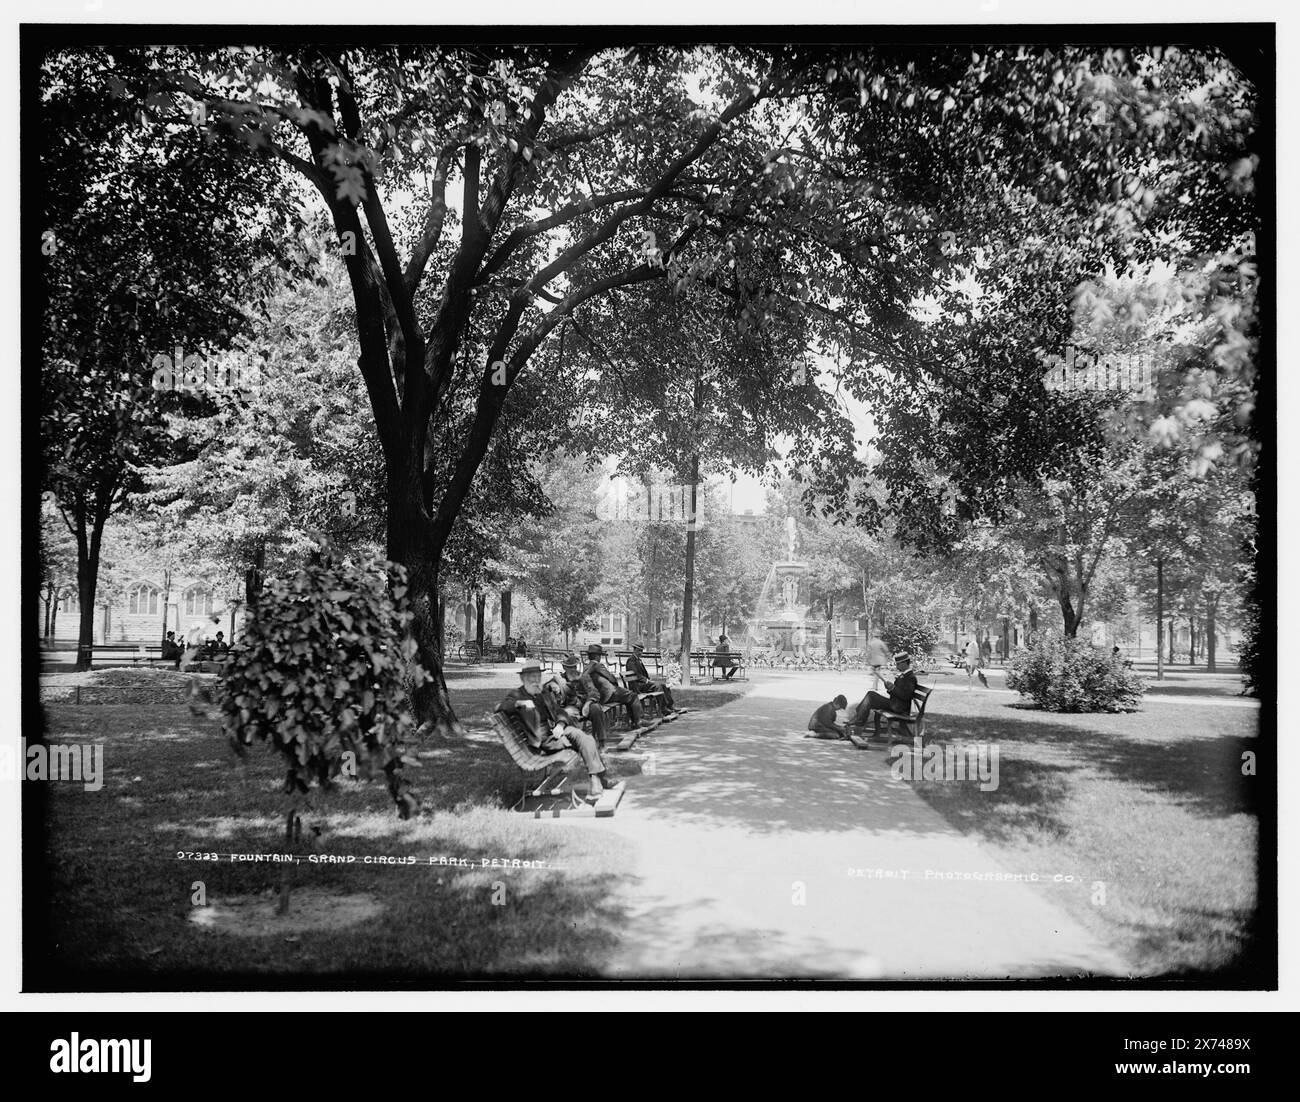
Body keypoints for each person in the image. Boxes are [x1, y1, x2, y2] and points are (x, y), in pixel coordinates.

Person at [496, 659, 622, 799]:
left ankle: (597, 780)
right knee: (583, 740)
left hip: (556, 733)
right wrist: (520, 703)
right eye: (532, 677)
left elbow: (559, 712)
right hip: (542, 742)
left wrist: (560, 725)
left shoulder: (543, 692)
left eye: (538, 677)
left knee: (586, 738)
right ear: (523, 679)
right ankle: (599, 781)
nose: (536, 680)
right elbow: (500, 707)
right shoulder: (517, 695)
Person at [852, 651, 919, 736]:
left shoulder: (911, 678)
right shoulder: (904, 676)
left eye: (898, 664)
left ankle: (858, 723)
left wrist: (893, 688)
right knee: (870, 695)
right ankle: (858, 719)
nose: (896, 666)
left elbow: (906, 696)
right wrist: (890, 688)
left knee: (871, 696)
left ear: (905, 663)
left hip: (900, 708)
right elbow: (897, 693)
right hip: (896, 705)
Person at [554, 654, 611, 749]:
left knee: (596, 708)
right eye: (570, 667)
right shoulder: (560, 680)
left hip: (586, 704)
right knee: (567, 713)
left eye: (575, 666)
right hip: (571, 707)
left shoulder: (584, 677)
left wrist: (588, 704)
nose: (573, 669)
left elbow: (594, 693)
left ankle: (602, 741)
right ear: (564, 667)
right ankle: (574, 745)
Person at [583, 644, 644, 730]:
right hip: (609, 693)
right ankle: (638, 723)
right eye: (600, 655)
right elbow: (611, 678)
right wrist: (613, 682)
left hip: (600, 696)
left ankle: (633, 721)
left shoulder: (586, 667)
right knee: (633, 696)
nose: (600, 657)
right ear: (597, 656)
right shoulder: (598, 666)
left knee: (627, 697)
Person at [624, 642, 678, 713]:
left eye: (641, 651)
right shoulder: (631, 660)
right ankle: (663, 708)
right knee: (658, 686)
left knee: (663, 685)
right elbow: (636, 675)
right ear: (634, 650)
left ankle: (670, 705)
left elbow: (641, 674)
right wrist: (647, 681)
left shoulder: (638, 659)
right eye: (638, 650)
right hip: (637, 686)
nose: (640, 653)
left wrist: (648, 680)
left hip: (642, 684)